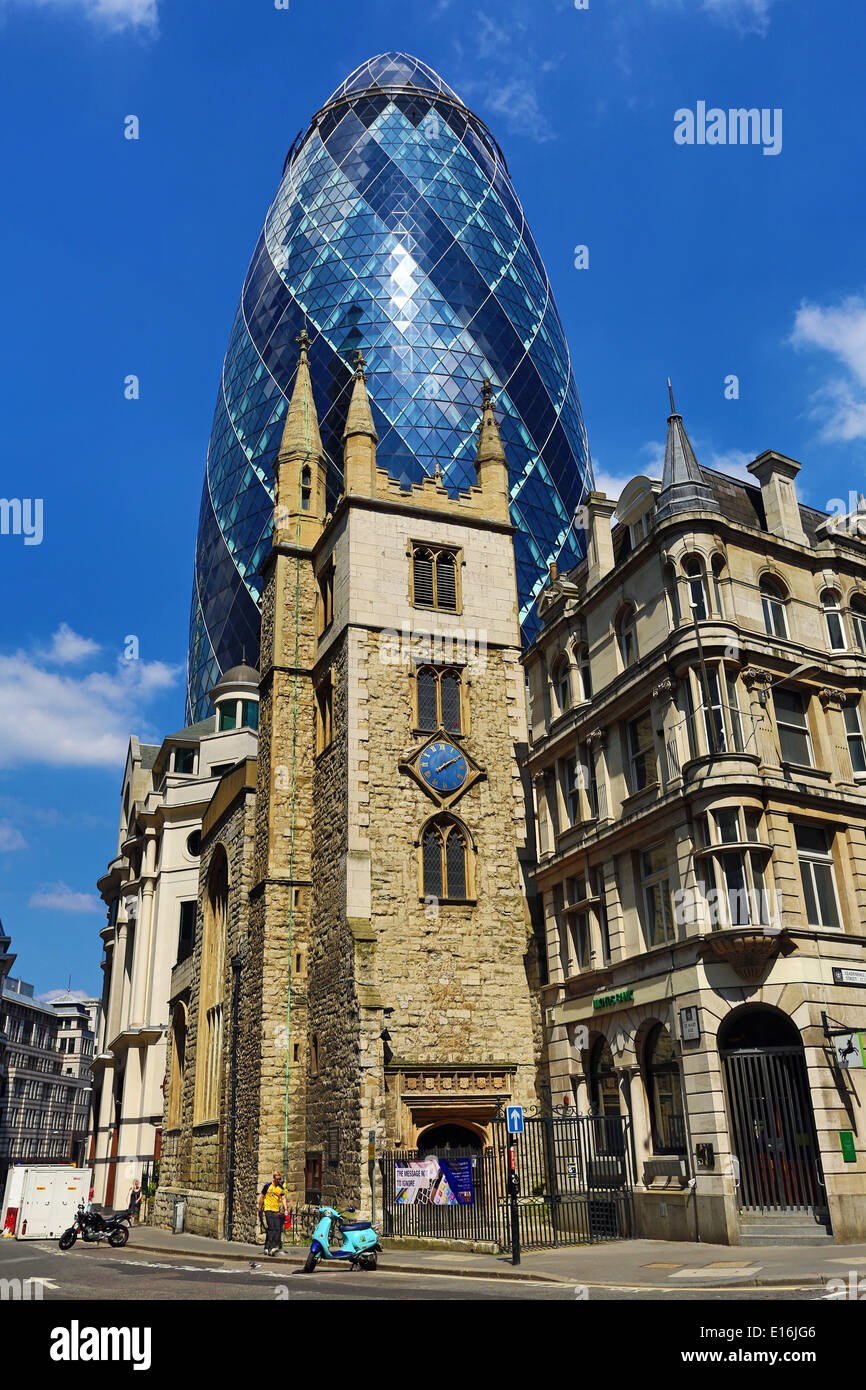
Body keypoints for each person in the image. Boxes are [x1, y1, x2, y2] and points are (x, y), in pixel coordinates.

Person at [257, 1170, 289, 1256]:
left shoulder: (281, 1188)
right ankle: (269, 1247)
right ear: (274, 1178)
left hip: (276, 1210)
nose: (278, 1180)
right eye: (277, 1179)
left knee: (277, 1228)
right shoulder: (268, 1186)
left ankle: (270, 1247)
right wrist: (259, 1209)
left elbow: (283, 1198)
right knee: (271, 1227)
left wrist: (286, 1209)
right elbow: (262, 1197)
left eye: (280, 1179)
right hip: (268, 1209)